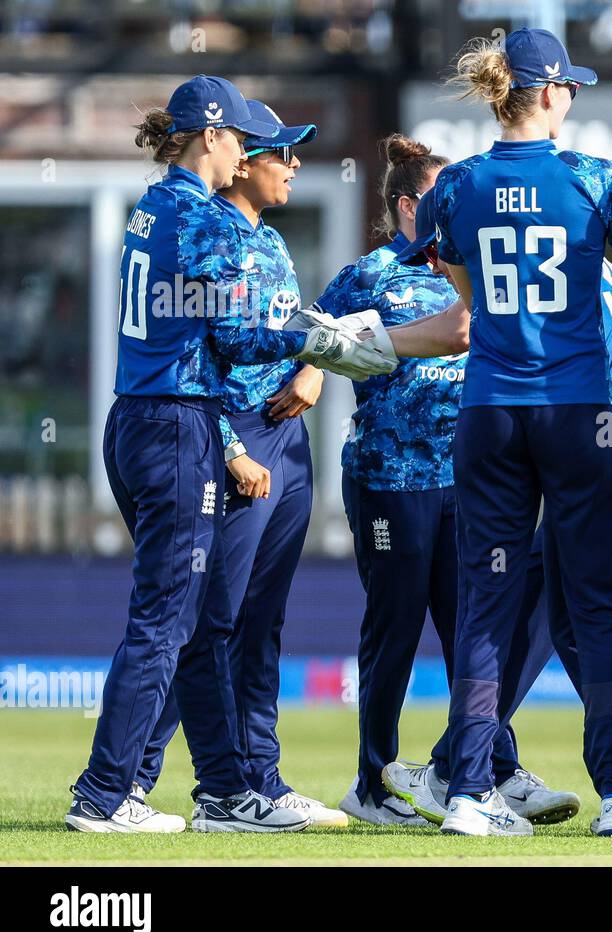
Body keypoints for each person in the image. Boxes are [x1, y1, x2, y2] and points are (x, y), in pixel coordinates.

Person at [65, 75, 393, 833]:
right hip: (179, 421)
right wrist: (330, 346)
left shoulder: (155, 207)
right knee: (170, 621)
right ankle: (108, 793)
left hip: (141, 415)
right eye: (242, 137)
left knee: (177, 620)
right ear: (211, 137)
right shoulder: (201, 217)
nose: (248, 149)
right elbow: (241, 339)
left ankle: (217, 791)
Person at [376, 29, 612, 838]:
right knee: (599, 604)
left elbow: (463, 294)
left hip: (491, 413)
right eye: (569, 86)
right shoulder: (592, 178)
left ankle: (468, 793)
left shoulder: (457, 184)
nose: (575, 96)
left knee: (485, 608)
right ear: (548, 93)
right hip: (578, 413)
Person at [381, 246, 612, 836]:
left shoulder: (528, 257)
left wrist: (365, 341)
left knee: (580, 618)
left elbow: (460, 328)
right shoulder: (578, 250)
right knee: (559, 610)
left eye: (438, 256)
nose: (436, 268)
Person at [315, 135, 576, 827]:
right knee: (394, 627)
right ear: (409, 206)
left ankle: (493, 768)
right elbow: (310, 336)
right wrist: (309, 373)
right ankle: (372, 784)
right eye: (440, 198)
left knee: (477, 629)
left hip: (472, 480)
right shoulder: (368, 276)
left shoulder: (474, 268)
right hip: (391, 479)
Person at [133, 100, 347, 828]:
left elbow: (295, 320)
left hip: (287, 434)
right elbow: (205, 351)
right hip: (238, 434)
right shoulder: (207, 230)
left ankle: (260, 775)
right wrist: (227, 445)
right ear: (241, 161)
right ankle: (151, 778)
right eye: (281, 153)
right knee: (208, 621)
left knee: (262, 622)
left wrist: (315, 371)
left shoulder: (273, 242)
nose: (292, 165)